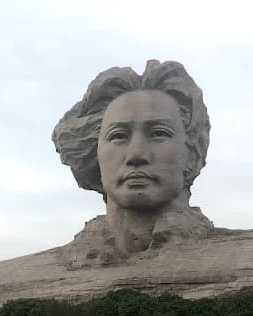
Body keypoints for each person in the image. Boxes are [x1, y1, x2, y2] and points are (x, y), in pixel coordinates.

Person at [52, 60, 213, 260]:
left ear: (192, 150)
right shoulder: (30, 277)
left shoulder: (248, 255)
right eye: (118, 136)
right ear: (93, 152)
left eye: (158, 133)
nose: (137, 155)